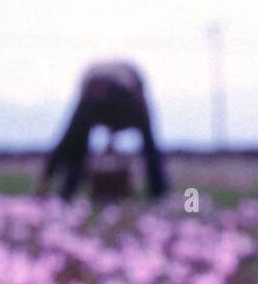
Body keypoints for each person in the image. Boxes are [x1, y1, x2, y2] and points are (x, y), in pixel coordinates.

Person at [38, 61, 167, 200]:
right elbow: (66, 143)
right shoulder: (94, 96)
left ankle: (159, 192)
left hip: (120, 90)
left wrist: (44, 181)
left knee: (76, 144)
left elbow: (65, 143)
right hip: (107, 90)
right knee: (76, 144)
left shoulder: (125, 94)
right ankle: (159, 193)